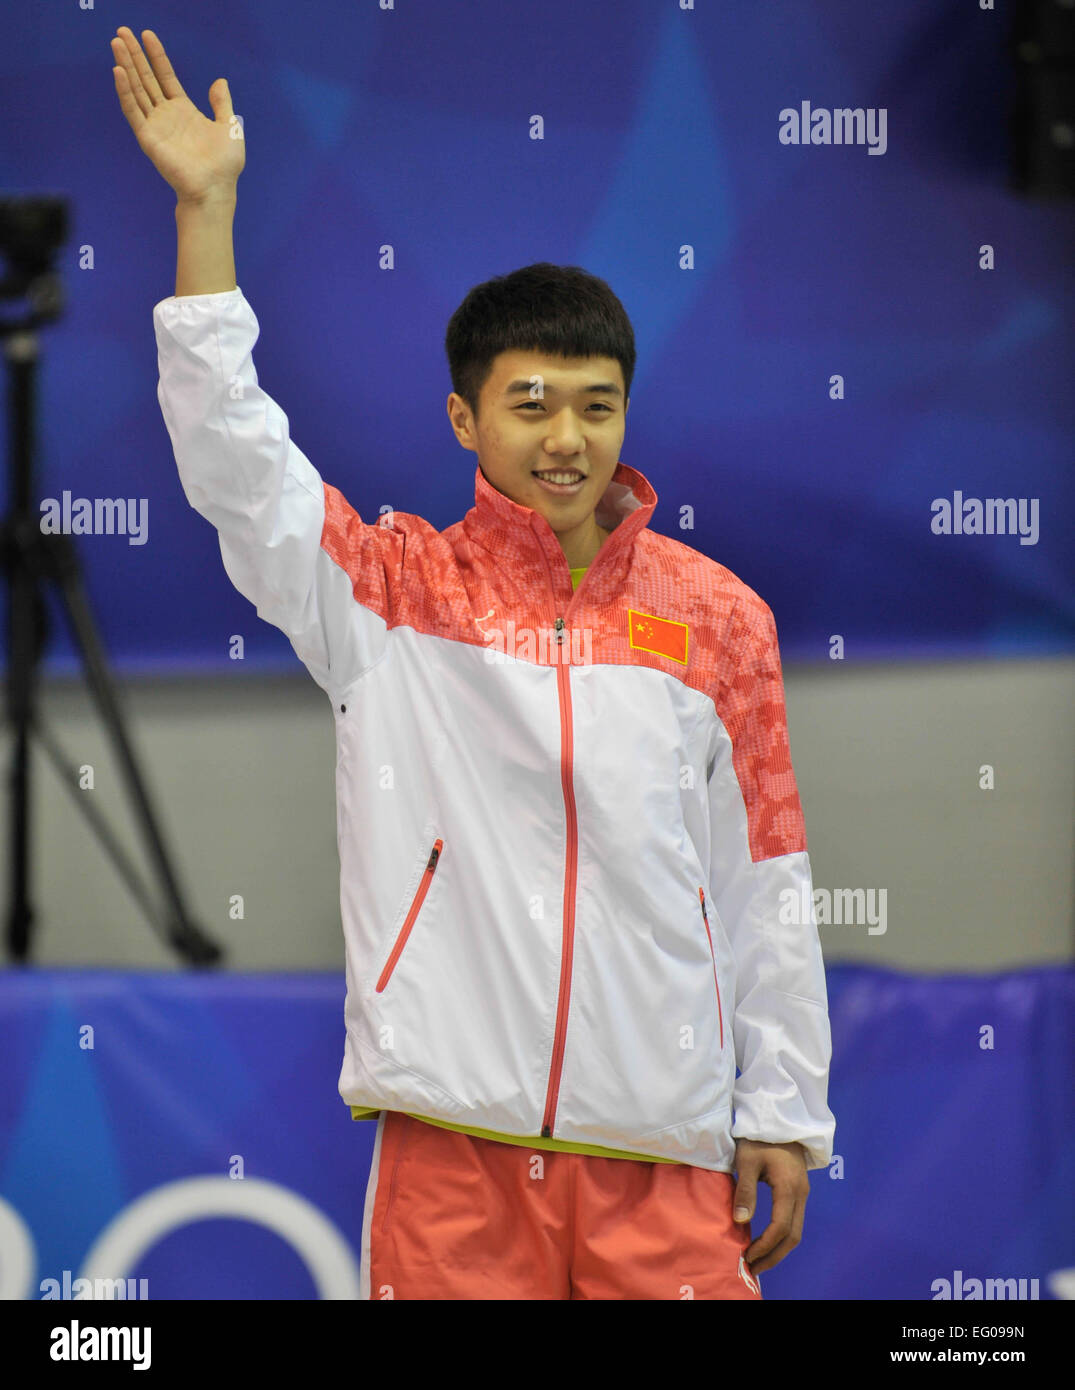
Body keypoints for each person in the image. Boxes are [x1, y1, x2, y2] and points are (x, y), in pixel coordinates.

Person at [111, 26, 836, 1301]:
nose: (568, 438)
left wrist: (783, 1101)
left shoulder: (720, 620)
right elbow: (236, 464)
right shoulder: (389, 592)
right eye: (532, 403)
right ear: (465, 416)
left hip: (663, 1159)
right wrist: (207, 214)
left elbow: (764, 874)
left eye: (597, 404)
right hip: (454, 1161)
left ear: (627, 411)